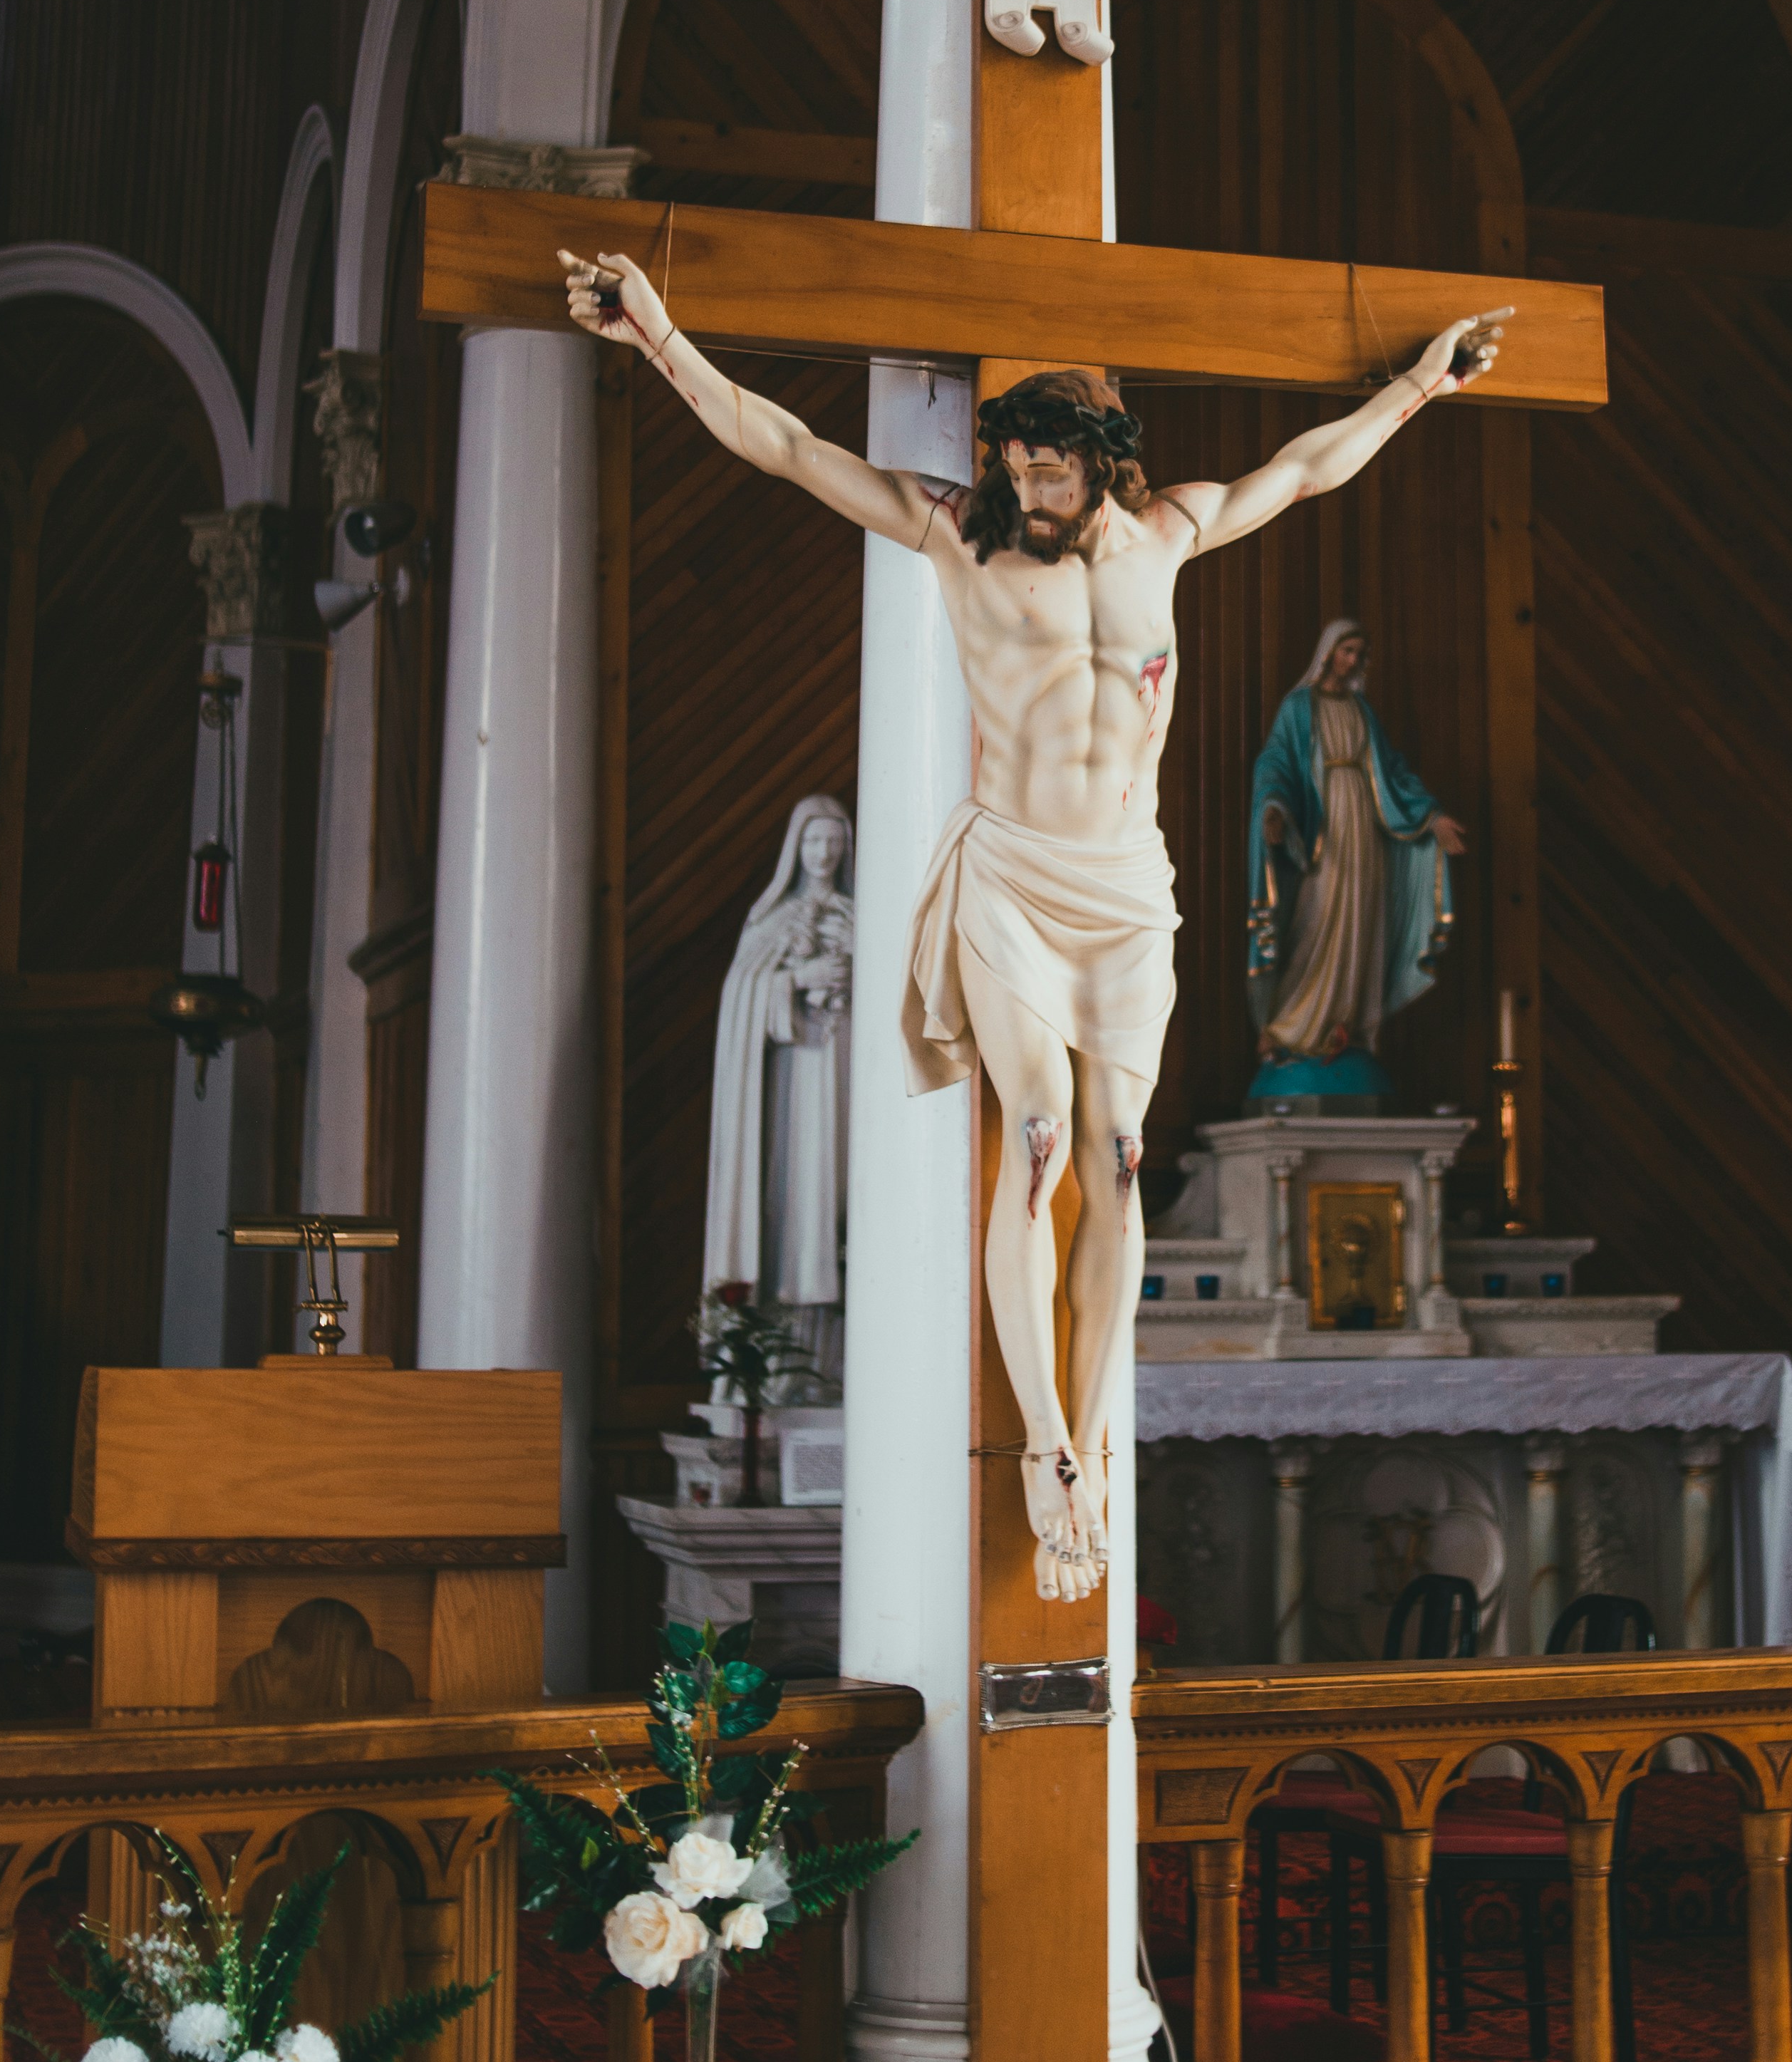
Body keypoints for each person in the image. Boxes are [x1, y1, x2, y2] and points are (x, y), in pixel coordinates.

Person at [561, 249, 1509, 1597]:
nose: (1028, 492)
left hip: (1126, 886)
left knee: (1118, 1158)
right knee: (1040, 1140)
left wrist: (1420, 381)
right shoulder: (961, 532)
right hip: (1011, 871)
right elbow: (782, 445)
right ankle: (1046, 1444)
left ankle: (1097, 1421)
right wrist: (657, 332)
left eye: (1051, 474)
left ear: (1104, 464)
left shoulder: (1171, 529)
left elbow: (1304, 468)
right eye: (1015, 470)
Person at [1248, 622, 1464, 1095]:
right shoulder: (1299, 707)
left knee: (1362, 928)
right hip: (1322, 831)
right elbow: (1276, 762)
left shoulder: (1361, 711)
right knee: (1316, 922)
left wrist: (1430, 819)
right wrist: (1275, 809)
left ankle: (1347, 1033)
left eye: (1358, 653)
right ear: (1328, 653)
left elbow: (1393, 772)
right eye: (1346, 650)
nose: (1352, 661)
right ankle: (1289, 1031)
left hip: (1364, 832)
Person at [703, 796, 853, 1388]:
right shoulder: (772, 919)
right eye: (815, 842)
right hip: (792, 1084)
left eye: (834, 843)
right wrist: (797, 981)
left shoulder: (857, 913)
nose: (825, 854)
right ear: (797, 848)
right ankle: (776, 1363)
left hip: (845, 1077)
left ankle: (833, 1361)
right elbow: (741, 996)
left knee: (839, 1202)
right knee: (795, 1206)